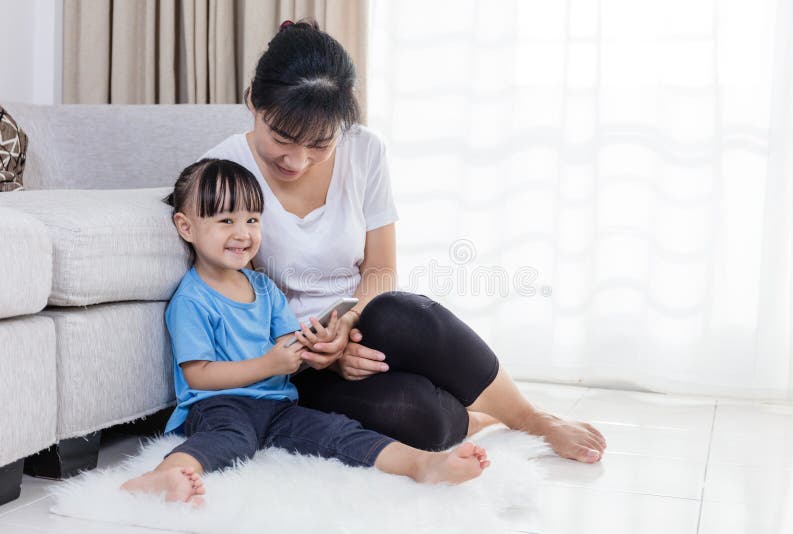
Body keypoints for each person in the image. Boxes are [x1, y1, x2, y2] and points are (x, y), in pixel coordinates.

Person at [202, 19, 607, 462]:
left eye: (320, 144)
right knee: (421, 417)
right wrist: (326, 354)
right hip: (291, 361)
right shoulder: (222, 169)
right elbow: (236, 300)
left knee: (400, 313)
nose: (297, 160)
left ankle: (531, 419)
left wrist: (351, 325)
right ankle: (480, 415)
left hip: (365, 325)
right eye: (281, 139)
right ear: (252, 103)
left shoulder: (365, 150)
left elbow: (379, 269)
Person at [120, 159, 490, 504]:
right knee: (228, 439)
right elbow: (198, 376)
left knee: (338, 431)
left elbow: (285, 346)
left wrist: (308, 347)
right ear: (187, 227)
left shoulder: (264, 288)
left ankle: (422, 465)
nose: (243, 233)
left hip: (278, 405)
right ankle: (162, 475)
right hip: (219, 405)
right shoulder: (192, 300)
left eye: (252, 220)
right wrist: (269, 364)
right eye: (226, 221)